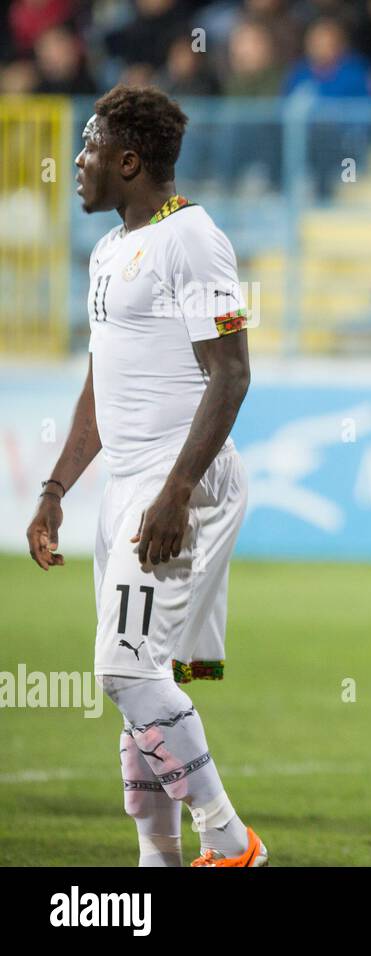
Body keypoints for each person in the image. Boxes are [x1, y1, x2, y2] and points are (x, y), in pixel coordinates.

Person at [25, 85, 263, 867]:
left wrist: (174, 493)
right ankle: (157, 861)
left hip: (175, 483)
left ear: (129, 161)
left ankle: (229, 840)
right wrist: (56, 490)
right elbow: (100, 390)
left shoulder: (193, 239)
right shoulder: (108, 250)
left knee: (122, 669)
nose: (80, 164)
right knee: (139, 681)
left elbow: (230, 374)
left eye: (90, 148)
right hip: (128, 485)